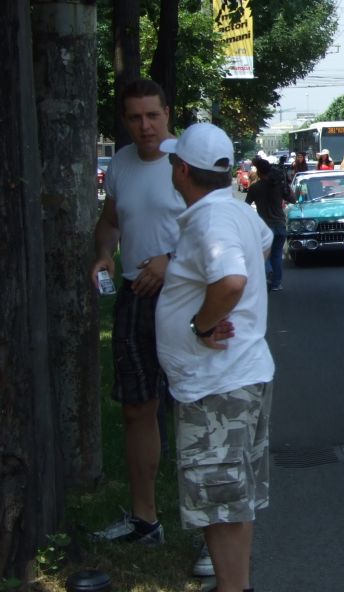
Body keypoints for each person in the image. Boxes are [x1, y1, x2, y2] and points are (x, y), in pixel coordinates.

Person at [156, 122, 275, 592]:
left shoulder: (211, 220)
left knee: (222, 501)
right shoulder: (234, 211)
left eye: (172, 161)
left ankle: (232, 587)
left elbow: (230, 282)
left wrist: (203, 323)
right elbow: (262, 244)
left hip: (218, 384)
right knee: (231, 499)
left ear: (182, 169)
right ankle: (236, 585)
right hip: (234, 377)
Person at [90, 79, 185, 548]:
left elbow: (219, 233)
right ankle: (146, 519)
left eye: (153, 115)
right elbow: (110, 221)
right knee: (136, 408)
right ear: (125, 121)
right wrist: (105, 253)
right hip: (134, 297)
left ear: (168, 112)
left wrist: (171, 261)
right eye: (135, 117)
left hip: (186, 300)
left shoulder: (188, 162)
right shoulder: (122, 165)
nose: (145, 126)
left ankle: (208, 525)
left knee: (193, 408)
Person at [245, 158, 294, 292]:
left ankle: (267, 273)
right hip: (280, 225)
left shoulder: (255, 188)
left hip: (264, 227)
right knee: (277, 255)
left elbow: (246, 205)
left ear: (259, 173)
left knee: (263, 254)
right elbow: (293, 199)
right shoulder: (279, 185)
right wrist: (286, 184)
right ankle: (276, 283)